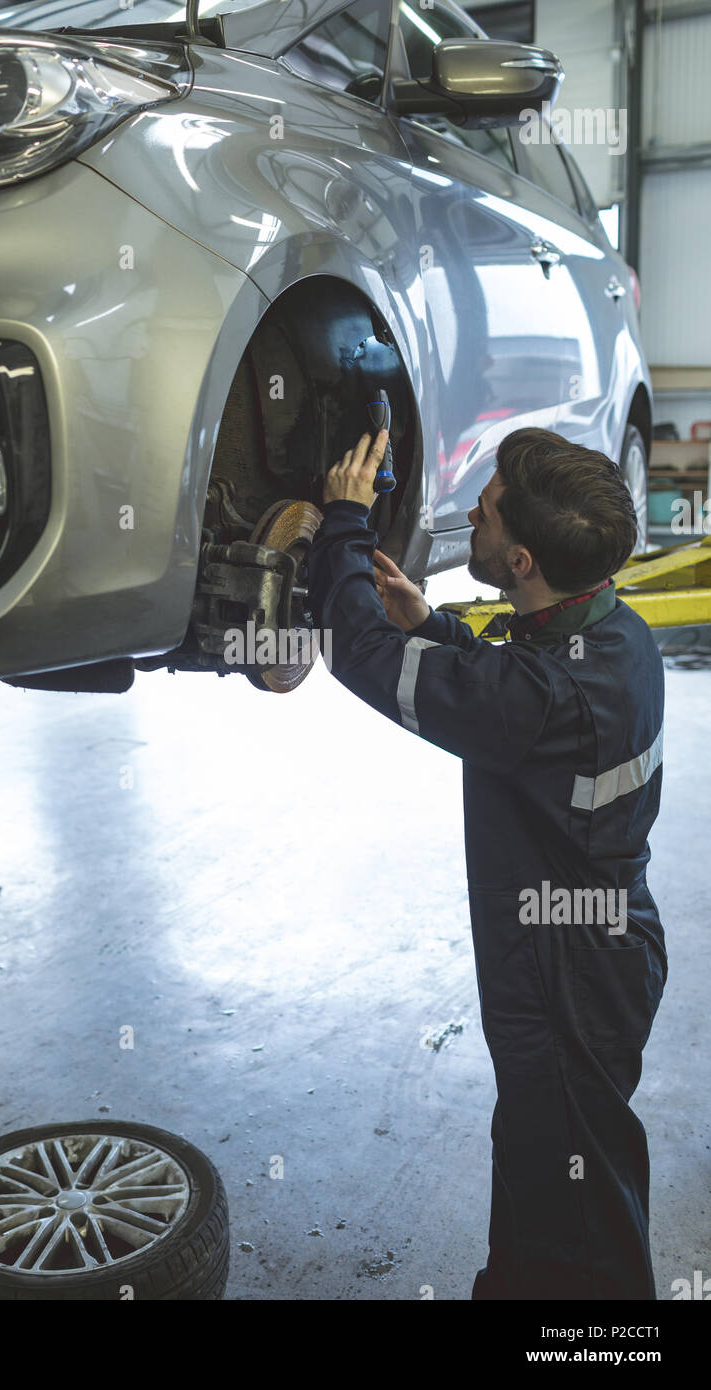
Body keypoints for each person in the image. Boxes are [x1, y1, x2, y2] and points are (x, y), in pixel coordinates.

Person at [306, 425, 666, 1300]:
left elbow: (360, 657)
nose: (474, 510)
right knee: (550, 1167)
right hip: (598, 946)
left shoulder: (540, 697)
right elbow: (521, 685)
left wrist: (344, 527)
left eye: (492, 512)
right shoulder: (616, 633)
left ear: (521, 561)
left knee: (581, 1206)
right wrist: (435, 628)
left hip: (563, 972)